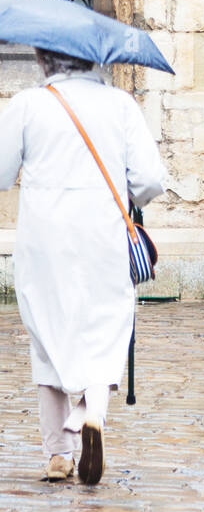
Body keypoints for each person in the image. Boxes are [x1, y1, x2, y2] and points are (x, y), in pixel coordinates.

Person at [0, 49, 166, 485]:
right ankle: (90, 415)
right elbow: (150, 180)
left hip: (44, 239)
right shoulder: (121, 105)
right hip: (103, 236)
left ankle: (58, 453)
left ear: (44, 60)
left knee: (47, 336)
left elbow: (1, 172)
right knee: (106, 330)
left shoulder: (27, 104)